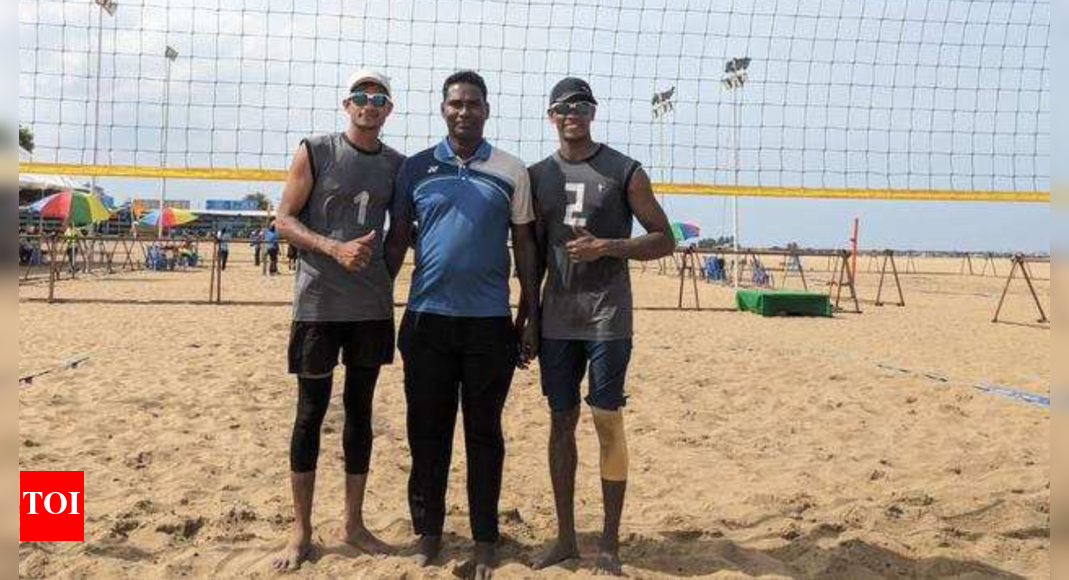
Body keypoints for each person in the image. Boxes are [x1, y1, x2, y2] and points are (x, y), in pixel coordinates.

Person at [384, 70, 539, 580]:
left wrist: (528, 313)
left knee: (484, 434)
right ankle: (427, 534)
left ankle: (485, 538)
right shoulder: (415, 168)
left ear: (487, 110)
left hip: (489, 324)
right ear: (442, 109)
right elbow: (395, 241)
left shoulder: (511, 170)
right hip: (427, 320)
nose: (463, 111)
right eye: (455, 103)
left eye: (473, 103)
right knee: (426, 433)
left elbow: (527, 248)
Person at [527, 77, 674, 575]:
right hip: (557, 319)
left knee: (606, 420)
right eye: (565, 106)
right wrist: (527, 317)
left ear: (593, 113)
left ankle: (609, 544)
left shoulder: (623, 170)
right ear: (551, 115)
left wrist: (608, 245)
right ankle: (566, 537)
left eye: (583, 105)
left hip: (608, 316)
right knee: (560, 422)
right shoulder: (536, 175)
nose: (574, 112)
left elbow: (663, 239)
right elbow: (531, 256)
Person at [268, 68, 405, 572]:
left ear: (389, 110)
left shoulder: (397, 164)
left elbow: (400, 230)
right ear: (346, 105)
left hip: (369, 307)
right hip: (320, 304)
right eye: (361, 97)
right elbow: (283, 218)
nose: (370, 104)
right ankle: (301, 531)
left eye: (379, 98)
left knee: (360, 413)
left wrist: (386, 270)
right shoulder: (316, 149)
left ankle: (353, 523)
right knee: (310, 413)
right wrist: (333, 248)